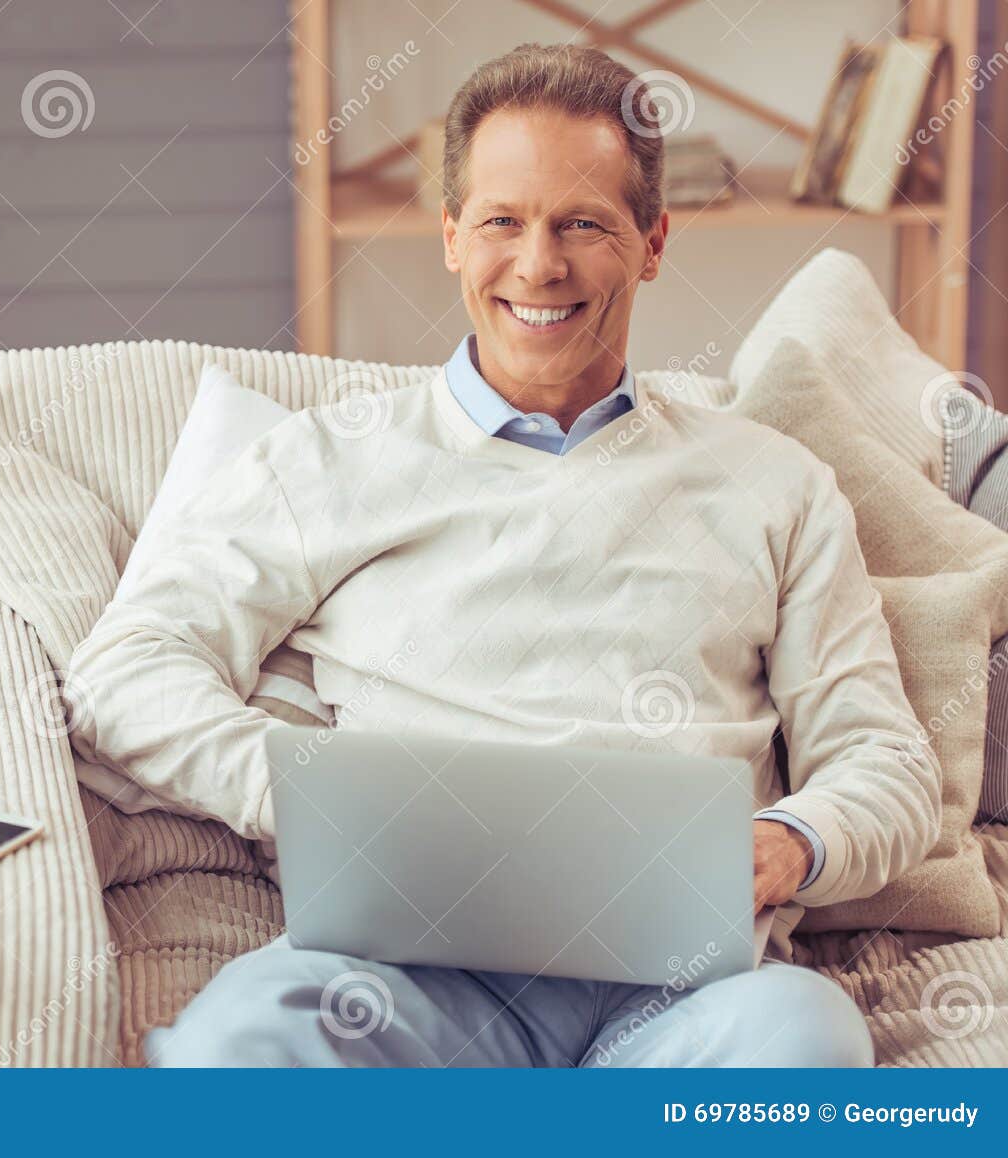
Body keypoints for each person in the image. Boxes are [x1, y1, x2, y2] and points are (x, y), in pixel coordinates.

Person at [68, 42, 940, 1067]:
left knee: (802, 1045)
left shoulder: (776, 485)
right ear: (449, 237)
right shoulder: (322, 462)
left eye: (583, 224)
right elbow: (125, 670)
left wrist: (788, 846)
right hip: (397, 975)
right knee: (237, 1049)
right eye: (501, 222)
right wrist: (299, 793)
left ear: (652, 244)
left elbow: (885, 759)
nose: (538, 266)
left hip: (684, 991)